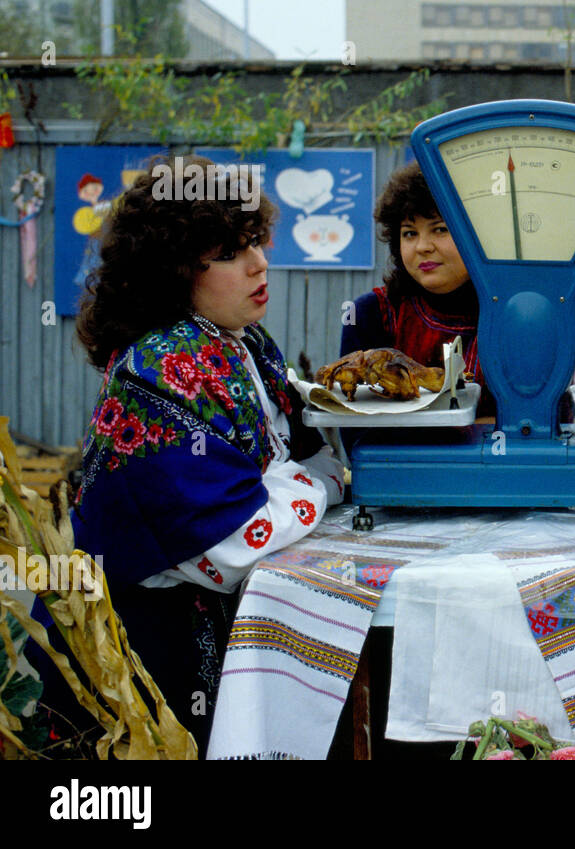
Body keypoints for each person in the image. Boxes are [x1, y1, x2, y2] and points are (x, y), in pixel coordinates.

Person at [32, 155, 345, 757]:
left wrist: (297, 475)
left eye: (255, 241)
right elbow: (232, 543)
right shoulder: (161, 372)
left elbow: (280, 458)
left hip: (197, 643)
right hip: (140, 669)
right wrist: (320, 485)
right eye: (228, 253)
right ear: (173, 272)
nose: (259, 263)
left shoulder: (241, 341)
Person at [339, 162, 494, 452]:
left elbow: (532, 429)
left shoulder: (514, 318)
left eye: (440, 229)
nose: (422, 246)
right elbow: (358, 434)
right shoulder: (371, 314)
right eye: (409, 233)